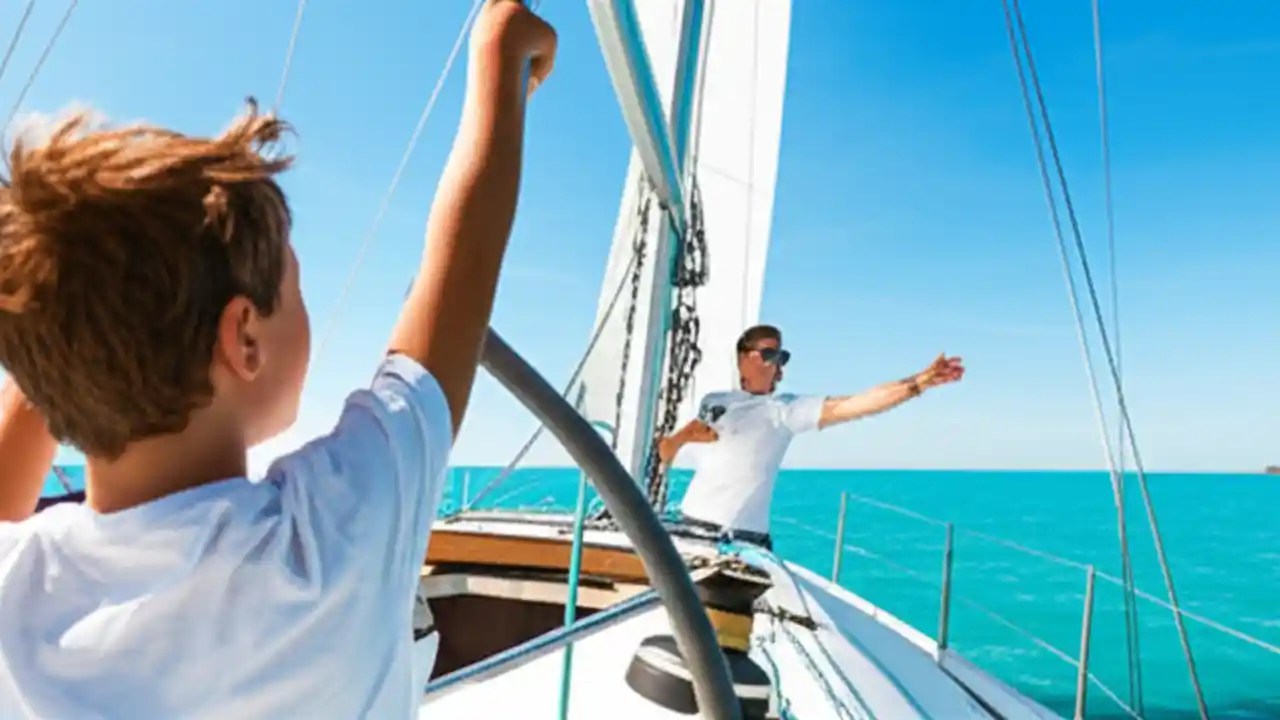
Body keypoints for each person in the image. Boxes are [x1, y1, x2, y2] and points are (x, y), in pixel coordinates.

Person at [0, 1, 556, 717]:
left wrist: (66, 312)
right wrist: (500, 56)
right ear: (244, 339)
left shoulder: (17, 589)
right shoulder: (327, 547)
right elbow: (466, 267)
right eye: (296, 286)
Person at [658, 324, 964, 550]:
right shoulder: (715, 401)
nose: (778, 364)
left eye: (782, 356)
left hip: (741, 541)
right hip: (689, 526)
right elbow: (666, 452)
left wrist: (918, 383)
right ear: (744, 359)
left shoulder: (785, 410)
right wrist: (683, 436)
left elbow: (856, 404)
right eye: (769, 354)